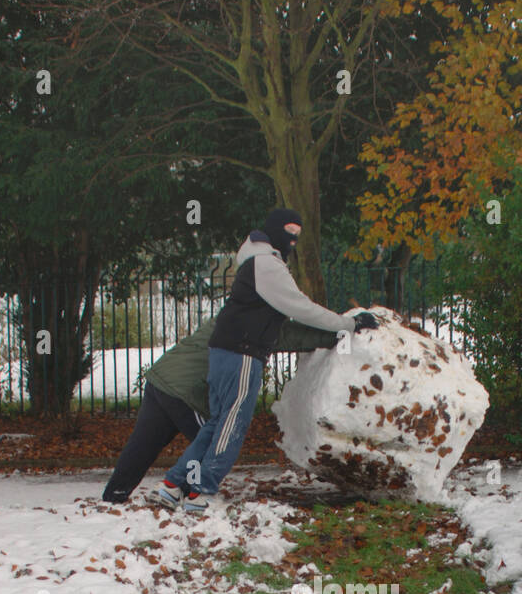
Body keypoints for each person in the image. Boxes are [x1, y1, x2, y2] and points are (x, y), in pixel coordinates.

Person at [147, 206, 378, 515]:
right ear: (274, 230)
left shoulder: (256, 261)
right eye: (289, 232)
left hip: (225, 351)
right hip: (242, 353)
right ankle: (200, 491)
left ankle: (174, 485)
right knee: (232, 425)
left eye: (298, 233)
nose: (293, 239)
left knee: (217, 423)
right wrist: (347, 324)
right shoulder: (267, 265)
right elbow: (301, 307)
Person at [101, 314, 346, 503]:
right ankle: (187, 491)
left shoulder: (230, 315)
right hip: (187, 391)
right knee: (209, 442)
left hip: (161, 378)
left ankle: (115, 493)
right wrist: (336, 335)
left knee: (143, 443)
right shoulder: (255, 324)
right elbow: (293, 336)